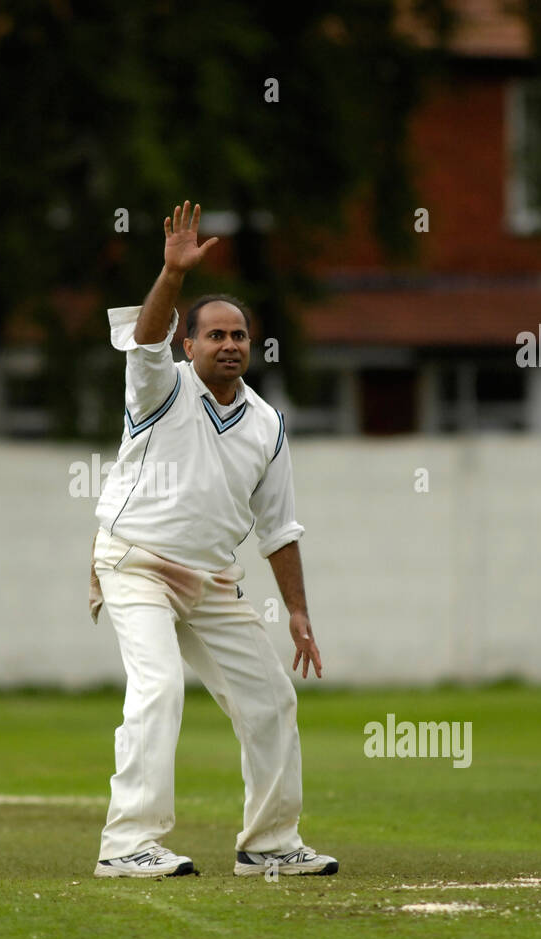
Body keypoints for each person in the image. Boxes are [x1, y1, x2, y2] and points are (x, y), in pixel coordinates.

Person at [90, 201, 336, 878]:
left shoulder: (264, 424)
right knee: (160, 686)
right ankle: (127, 843)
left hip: (209, 580)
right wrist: (170, 276)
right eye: (215, 335)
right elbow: (143, 337)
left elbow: (279, 528)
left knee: (270, 697)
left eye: (239, 336)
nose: (228, 344)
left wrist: (297, 609)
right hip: (135, 562)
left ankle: (269, 842)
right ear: (188, 345)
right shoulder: (160, 388)